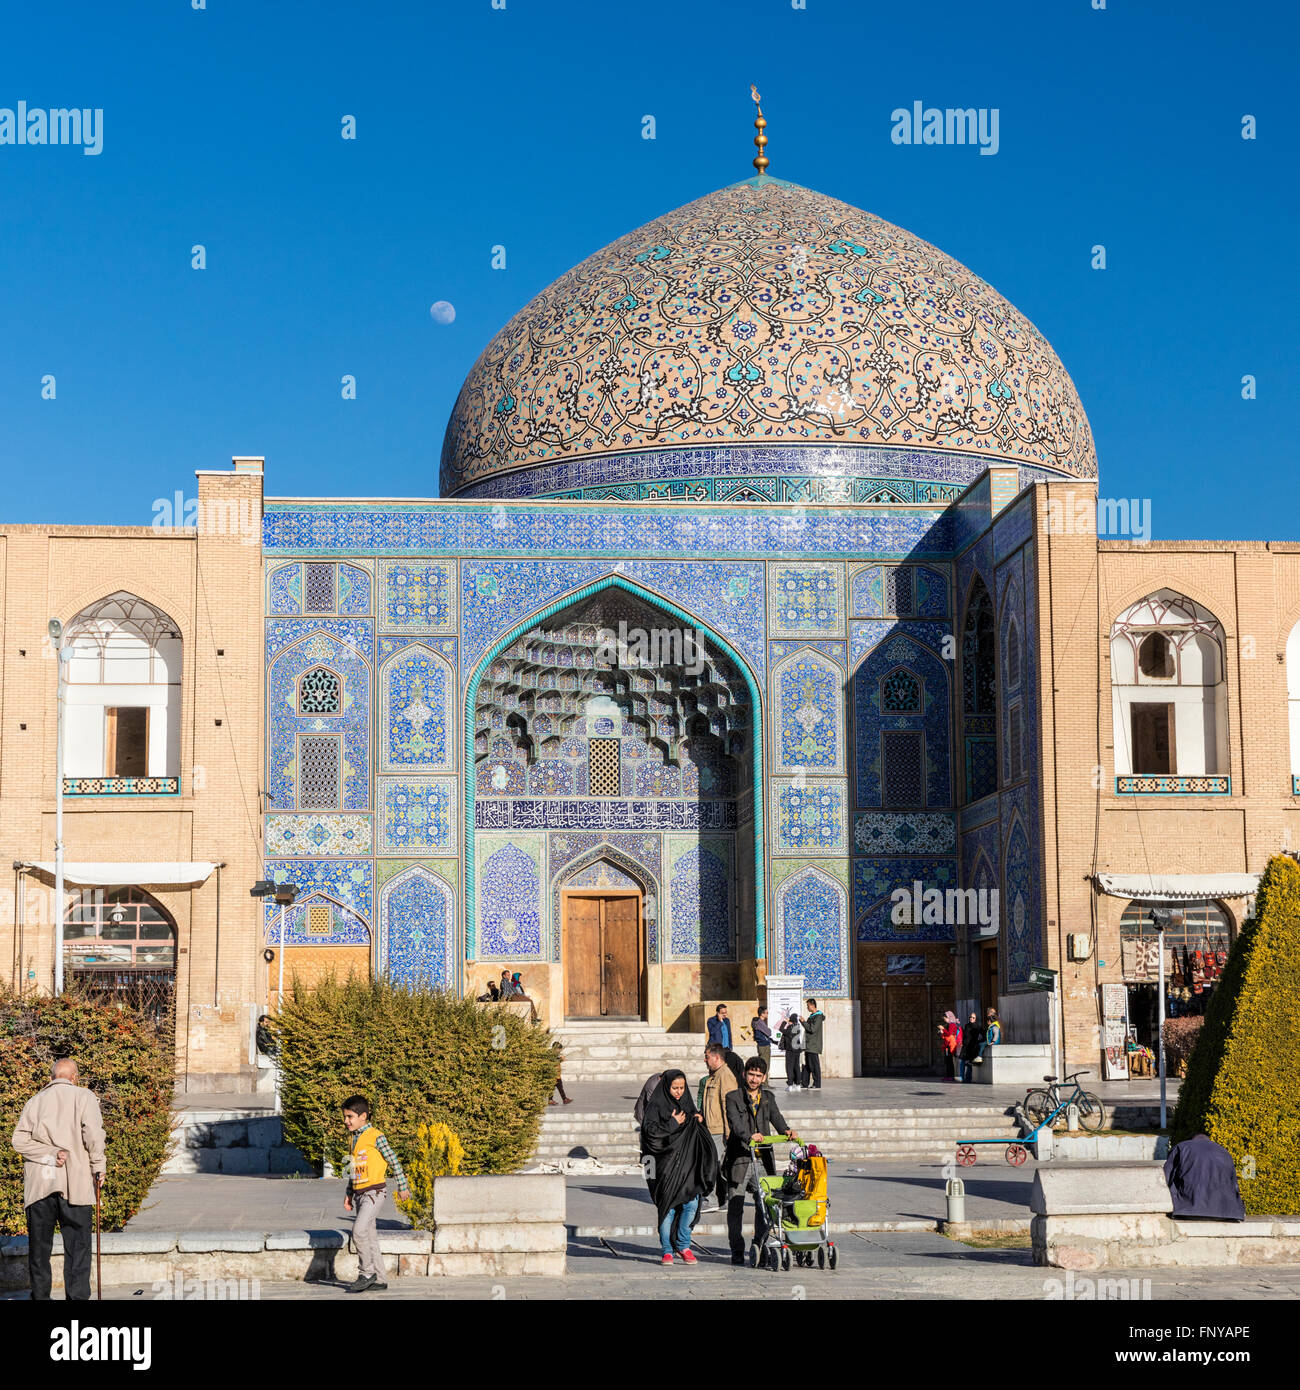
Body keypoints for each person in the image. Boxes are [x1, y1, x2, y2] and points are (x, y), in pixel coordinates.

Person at [11, 1058, 106, 1302]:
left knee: (39, 1249)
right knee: (78, 1247)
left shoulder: (35, 1102)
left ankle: (40, 1297)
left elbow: (18, 1141)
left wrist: (49, 1154)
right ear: (75, 1077)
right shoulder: (85, 1097)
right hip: (75, 1184)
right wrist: (99, 1167)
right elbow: (93, 1135)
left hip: (41, 1185)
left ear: (51, 1078)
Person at [722, 1057, 797, 1266]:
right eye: (751, 1074)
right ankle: (737, 1250)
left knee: (765, 1204)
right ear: (745, 1074)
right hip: (740, 1159)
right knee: (735, 1206)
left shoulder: (767, 1097)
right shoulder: (733, 1097)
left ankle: (759, 1246)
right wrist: (749, 1136)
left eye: (758, 1075)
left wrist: (786, 1130)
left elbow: (776, 1117)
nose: (754, 1079)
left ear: (764, 1077)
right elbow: (735, 1124)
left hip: (762, 1159)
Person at [639, 1070, 716, 1265]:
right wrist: (673, 1123)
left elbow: (692, 1124)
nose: (679, 1092)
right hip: (663, 1167)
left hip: (687, 1166)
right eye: (675, 1088)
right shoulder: (655, 1107)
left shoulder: (686, 1103)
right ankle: (667, 1251)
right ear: (666, 1086)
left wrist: (697, 1119)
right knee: (668, 1208)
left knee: (690, 1204)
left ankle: (683, 1245)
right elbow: (651, 1135)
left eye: (682, 1088)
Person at [341, 1095, 410, 1293]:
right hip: (360, 1194)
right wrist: (349, 1193)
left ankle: (366, 1273)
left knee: (358, 1231)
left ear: (363, 1116)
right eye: (345, 1117)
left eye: (350, 1117)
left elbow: (393, 1160)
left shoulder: (376, 1136)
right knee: (369, 1236)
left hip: (375, 1192)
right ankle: (379, 1279)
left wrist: (402, 1186)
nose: (346, 1121)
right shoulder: (353, 1139)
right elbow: (353, 1168)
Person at [1163, 1134, 1246, 1220]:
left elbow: (1164, 1178)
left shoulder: (1181, 1147)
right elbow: (1233, 1184)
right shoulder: (1224, 1151)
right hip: (1227, 1213)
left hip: (1187, 1210)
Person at [696, 1042, 738, 1210]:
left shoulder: (725, 1075)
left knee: (715, 1165)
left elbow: (729, 1105)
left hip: (720, 1129)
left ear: (716, 1057)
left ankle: (714, 1199)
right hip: (710, 1127)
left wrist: (729, 1131)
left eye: (707, 1057)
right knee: (714, 1164)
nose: (705, 1060)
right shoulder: (713, 1075)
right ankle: (720, 1198)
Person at [801, 998, 825, 1090]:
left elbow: (812, 1029)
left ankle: (817, 1083)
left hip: (813, 1045)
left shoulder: (818, 1016)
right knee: (808, 1064)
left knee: (814, 1065)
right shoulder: (812, 1016)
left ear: (812, 1005)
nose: (807, 1008)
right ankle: (805, 1082)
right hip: (809, 1044)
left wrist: (803, 1022)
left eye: (808, 1006)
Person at [778, 1010, 804, 1091]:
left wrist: (785, 1022)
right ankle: (798, 1085)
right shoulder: (797, 1028)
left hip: (790, 1051)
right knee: (796, 1067)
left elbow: (781, 1029)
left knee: (789, 1067)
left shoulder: (790, 1029)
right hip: (797, 1050)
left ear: (791, 1020)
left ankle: (790, 1085)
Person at [960, 1010, 984, 1083]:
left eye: (973, 1018)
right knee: (962, 1062)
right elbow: (964, 1035)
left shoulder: (978, 1027)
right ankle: (962, 1077)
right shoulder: (966, 1025)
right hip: (965, 1047)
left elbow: (983, 1034)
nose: (971, 1018)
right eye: (970, 1017)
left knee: (970, 1063)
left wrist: (979, 1042)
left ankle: (968, 1078)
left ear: (975, 1019)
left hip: (972, 1047)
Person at [549, 1040, 574, 1106]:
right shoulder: (551, 1054)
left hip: (557, 1074)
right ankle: (561, 1099)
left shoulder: (554, 1054)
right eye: (559, 1049)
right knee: (555, 1088)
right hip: (554, 1075)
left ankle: (563, 1099)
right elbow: (553, 1062)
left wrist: (560, 1059)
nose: (560, 1051)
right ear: (556, 1048)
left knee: (558, 1087)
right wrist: (560, 1059)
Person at [939, 1012, 962, 1081]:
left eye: (945, 1018)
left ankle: (951, 1076)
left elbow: (949, 1034)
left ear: (949, 1017)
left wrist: (943, 1029)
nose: (945, 1020)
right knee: (948, 1061)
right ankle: (949, 1075)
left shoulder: (952, 1025)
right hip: (948, 1045)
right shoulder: (950, 1024)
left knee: (949, 1061)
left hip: (950, 1045)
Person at [751, 1006, 774, 1071]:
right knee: (765, 1066)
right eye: (766, 1013)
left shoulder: (758, 1022)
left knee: (763, 1065)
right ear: (762, 1014)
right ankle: (764, 1081)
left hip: (762, 1045)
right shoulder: (759, 1022)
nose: (767, 1014)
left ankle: (763, 1080)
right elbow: (769, 1033)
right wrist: (768, 1029)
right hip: (764, 1046)